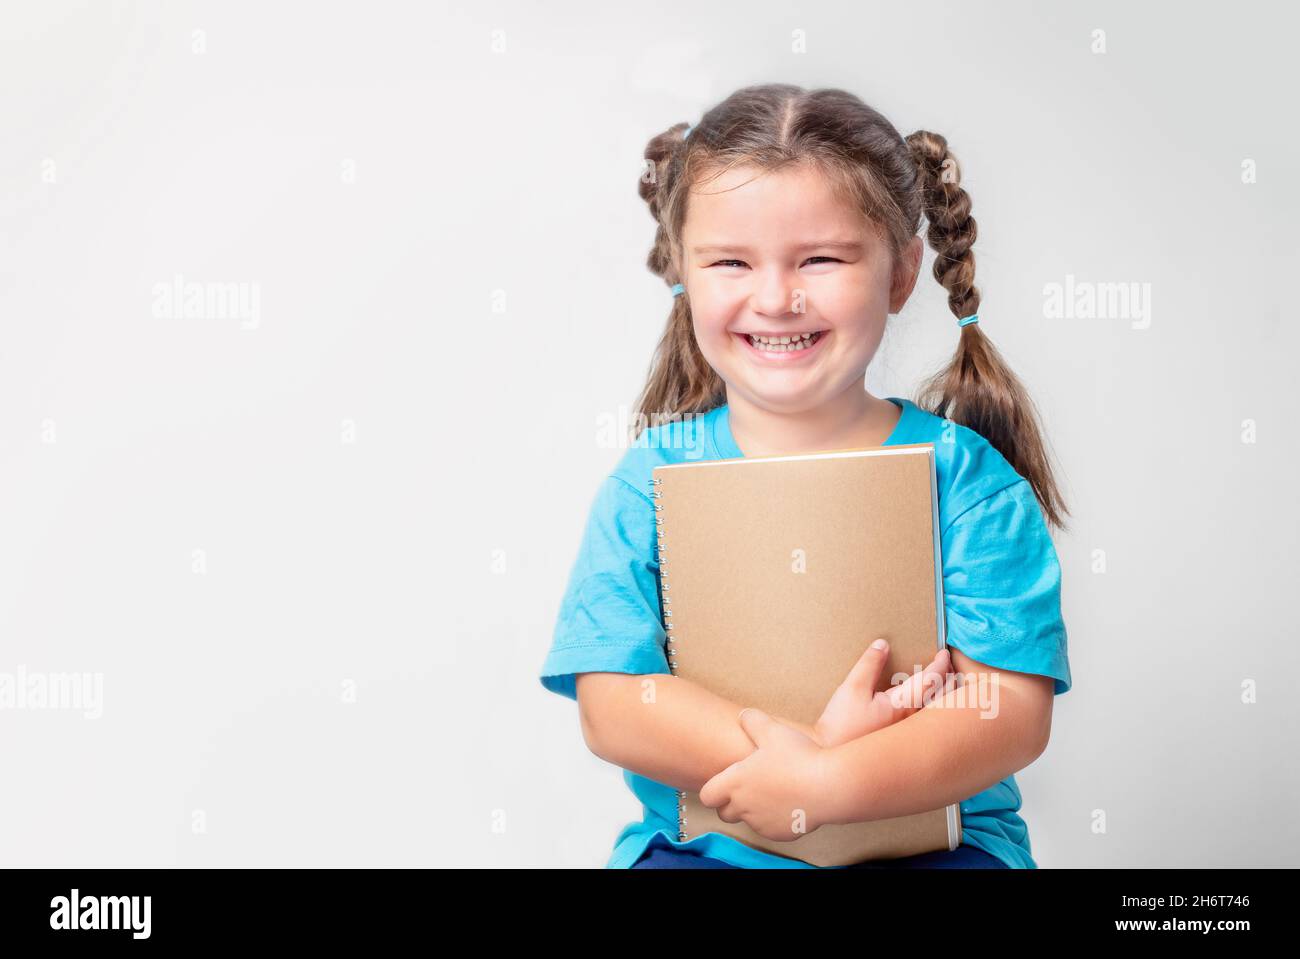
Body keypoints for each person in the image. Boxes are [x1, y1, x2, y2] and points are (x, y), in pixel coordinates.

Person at [539, 83, 1072, 869]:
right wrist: (804, 756)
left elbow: (1010, 712)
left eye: (820, 259)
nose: (776, 298)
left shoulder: (967, 483)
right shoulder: (647, 482)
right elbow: (615, 703)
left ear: (900, 273)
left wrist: (831, 782)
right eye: (730, 261)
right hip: (708, 850)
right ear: (684, 272)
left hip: (937, 848)